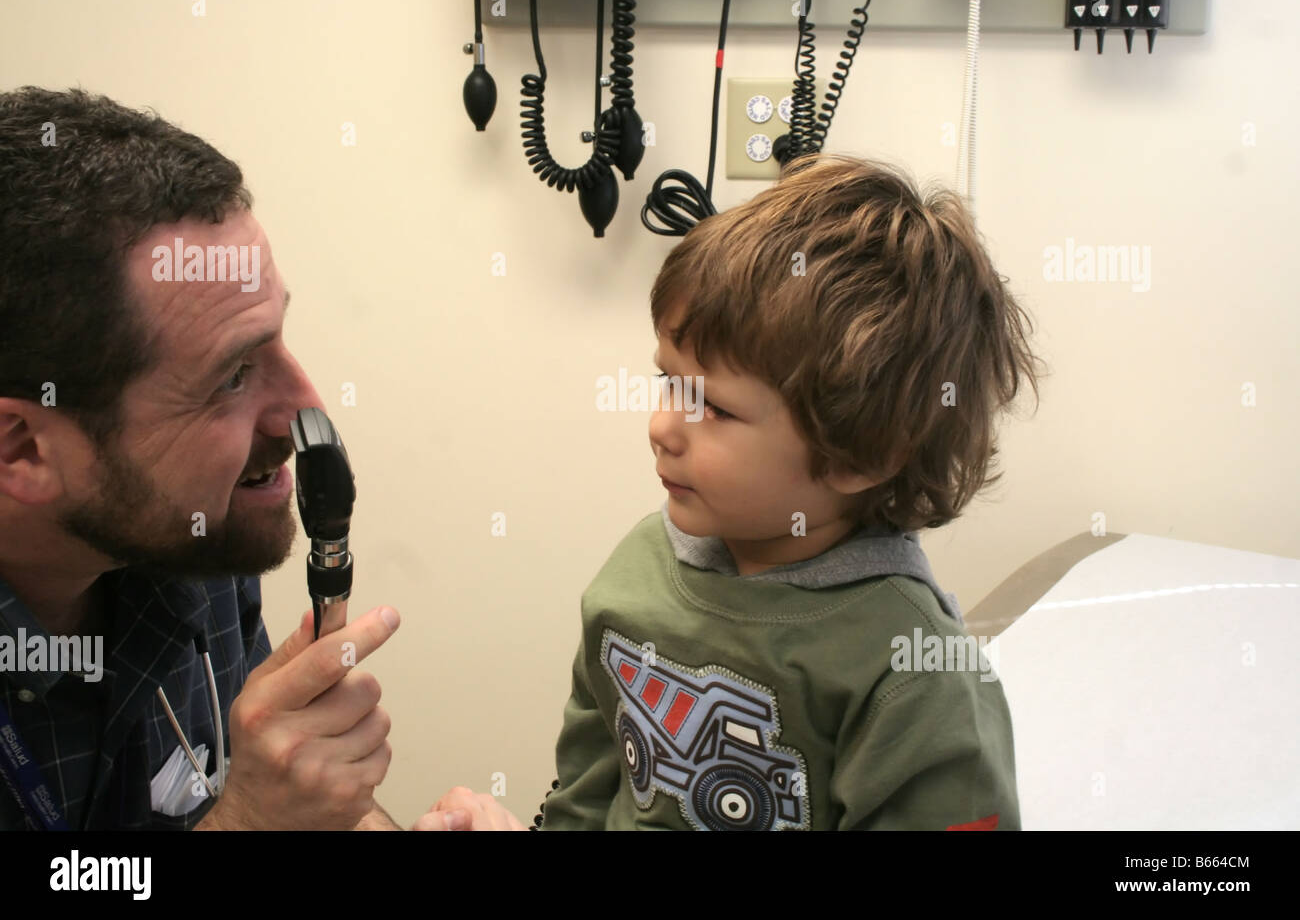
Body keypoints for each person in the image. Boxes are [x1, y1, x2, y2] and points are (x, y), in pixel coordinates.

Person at [443, 153, 1047, 830]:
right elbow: (584, 799)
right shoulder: (636, 574)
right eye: (671, 382)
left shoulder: (914, 679)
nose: (662, 426)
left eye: (717, 409)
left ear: (863, 453)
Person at [0, 85, 515, 831]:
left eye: (277, 336)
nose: (305, 407)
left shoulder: (192, 537)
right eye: (233, 375)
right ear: (24, 448)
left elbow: (290, 806)